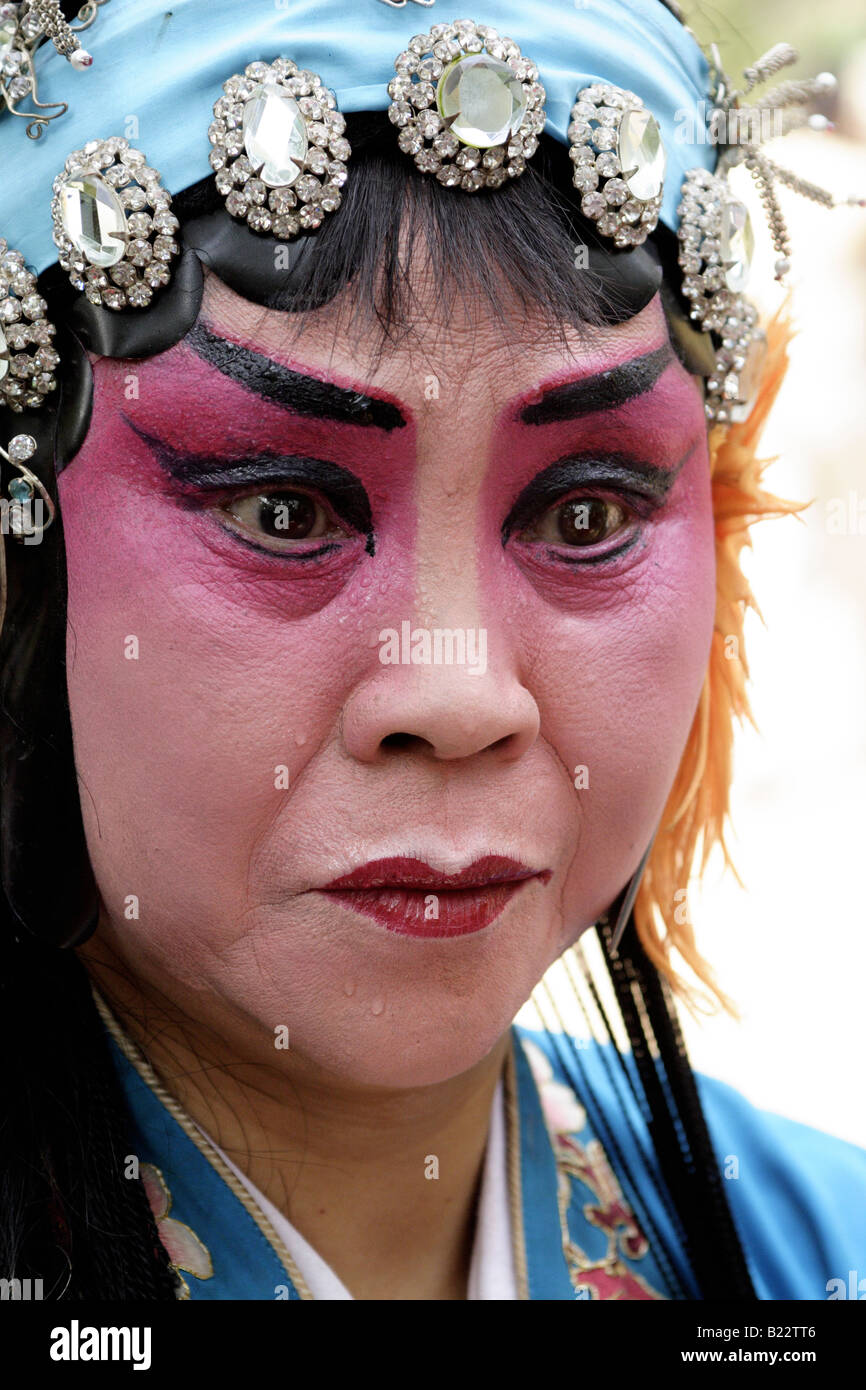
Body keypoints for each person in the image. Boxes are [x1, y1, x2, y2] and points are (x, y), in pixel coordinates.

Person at [0, 0, 863, 1302]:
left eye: (585, 512)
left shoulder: (826, 1256)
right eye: (280, 507)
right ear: (24, 553)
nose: (458, 695)